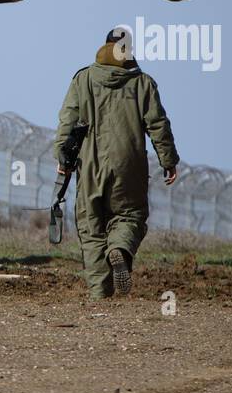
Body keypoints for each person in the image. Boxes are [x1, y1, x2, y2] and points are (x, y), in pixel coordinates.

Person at [55, 29, 179, 299]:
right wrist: (168, 160)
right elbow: (158, 124)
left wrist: (63, 158)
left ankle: (100, 294)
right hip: (129, 164)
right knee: (130, 215)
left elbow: (68, 120)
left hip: (90, 164)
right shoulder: (143, 83)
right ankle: (120, 249)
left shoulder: (83, 79)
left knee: (91, 226)